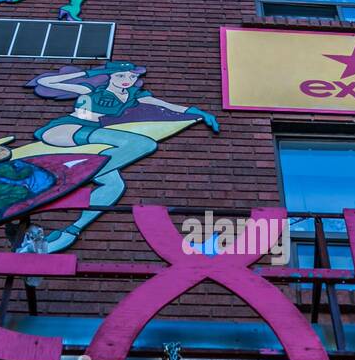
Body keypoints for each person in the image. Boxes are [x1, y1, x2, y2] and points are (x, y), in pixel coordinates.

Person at [27, 62, 220, 251]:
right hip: (64, 130)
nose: (127, 80)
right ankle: (80, 175)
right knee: (142, 144)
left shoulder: (134, 95)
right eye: (121, 75)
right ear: (110, 76)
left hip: (92, 139)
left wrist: (197, 112)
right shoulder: (91, 91)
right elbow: (48, 83)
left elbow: (163, 104)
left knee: (114, 186)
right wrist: (87, 74)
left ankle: (71, 231)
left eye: (132, 76)